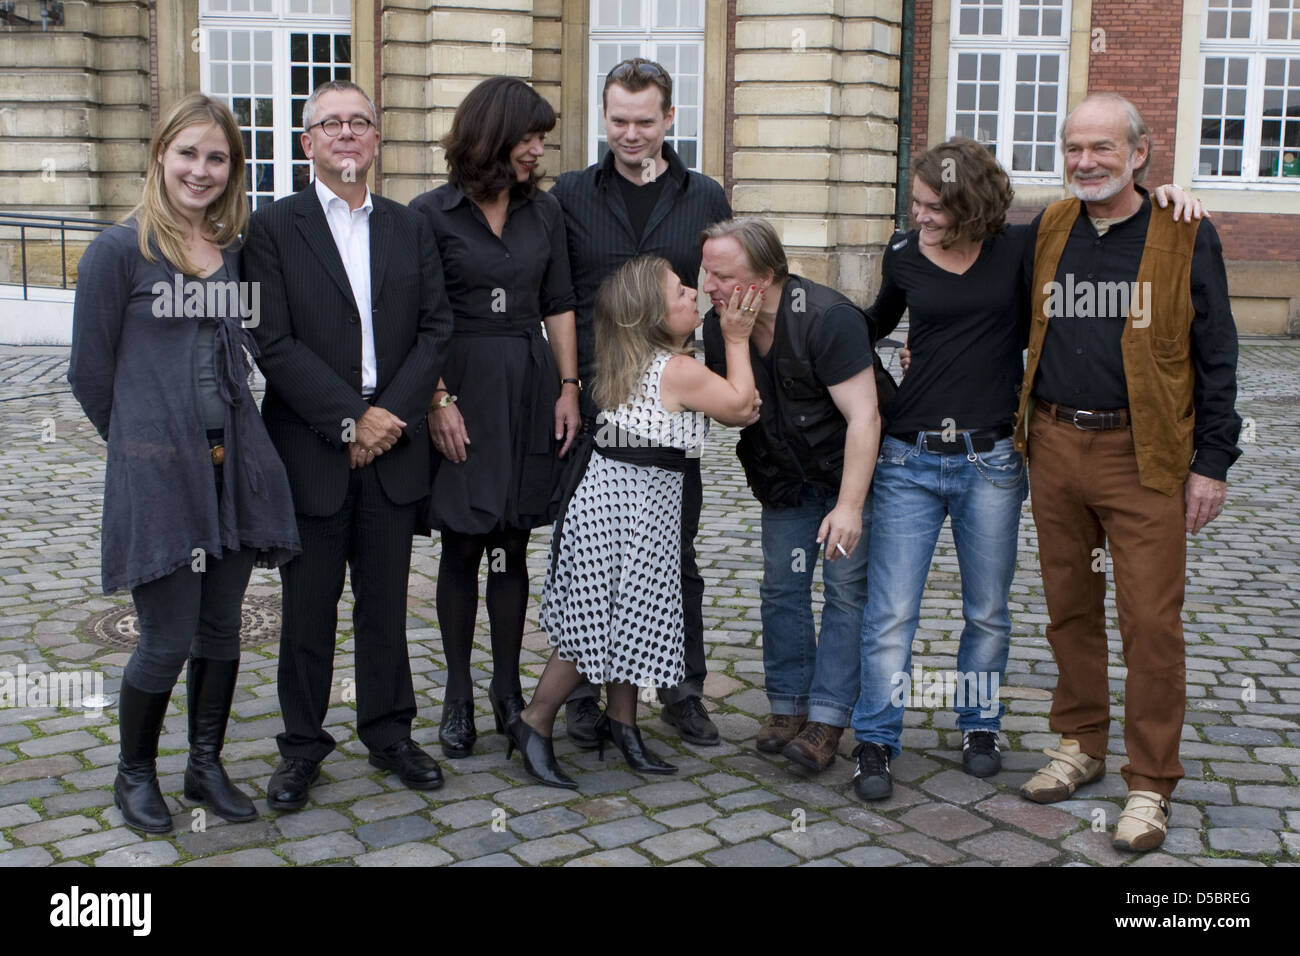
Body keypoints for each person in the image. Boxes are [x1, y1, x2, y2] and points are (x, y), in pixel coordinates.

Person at [852, 138, 1205, 803]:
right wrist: (860, 379)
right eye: (917, 204)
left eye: (934, 207)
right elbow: (869, 327)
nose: (920, 217)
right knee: (892, 612)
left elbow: (1102, 211)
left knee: (988, 611)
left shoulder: (1021, 251)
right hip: (908, 457)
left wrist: (1166, 195)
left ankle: (979, 724)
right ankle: (876, 736)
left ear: (970, 205)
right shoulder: (902, 254)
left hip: (992, 459)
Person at [1013, 93, 1240, 853]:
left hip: (1144, 455)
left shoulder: (1183, 231)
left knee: (1150, 622)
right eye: (1073, 147)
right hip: (1052, 443)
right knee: (1068, 605)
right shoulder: (1049, 226)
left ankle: (1150, 781)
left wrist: (1213, 462)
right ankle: (1079, 741)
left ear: (1141, 154)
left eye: (1102, 148)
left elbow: (1218, 356)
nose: (1084, 162)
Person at [68, 93, 300, 834]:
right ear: (160, 156)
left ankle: (205, 763)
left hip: (232, 463)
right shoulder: (118, 252)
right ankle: (134, 774)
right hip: (160, 471)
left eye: (217, 158)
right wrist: (141, 446)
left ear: (233, 169)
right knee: (165, 637)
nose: (201, 170)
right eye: (188, 153)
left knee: (222, 629)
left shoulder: (232, 252)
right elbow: (89, 372)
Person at [242, 80, 454, 809]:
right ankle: (302, 747)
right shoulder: (272, 229)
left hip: (393, 441)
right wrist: (347, 419)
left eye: (359, 122)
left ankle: (390, 733)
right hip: (310, 443)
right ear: (307, 143)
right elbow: (270, 339)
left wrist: (388, 415)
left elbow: (436, 329)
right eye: (329, 124)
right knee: (308, 609)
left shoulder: (409, 225)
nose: (345, 134)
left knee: (384, 604)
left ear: (375, 137)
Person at [507, 255, 758, 788]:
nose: (693, 293)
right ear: (652, 316)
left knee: (630, 616)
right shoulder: (678, 369)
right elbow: (740, 407)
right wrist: (736, 339)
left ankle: (623, 724)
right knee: (592, 627)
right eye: (680, 293)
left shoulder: (644, 356)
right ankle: (533, 721)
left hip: (628, 503)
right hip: (627, 510)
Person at [551, 57, 733, 748]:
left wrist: (709, 372)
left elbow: (718, 291)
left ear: (669, 120)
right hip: (595, 399)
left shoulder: (705, 194)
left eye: (644, 122)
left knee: (673, 551)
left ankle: (682, 689)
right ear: (605, 118)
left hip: (671, 404)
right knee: (584, 549)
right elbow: (558, 297)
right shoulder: (570, 193)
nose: (630, 134)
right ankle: (582, 693)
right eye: (618, 121)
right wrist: (566, 385)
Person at [409, 77, 579, 759]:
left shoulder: (546, 213)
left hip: (528, 383)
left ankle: (508, 693)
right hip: (460, 384)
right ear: (490, 136)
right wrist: (437, 398)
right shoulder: (430, 214)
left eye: (541, 137)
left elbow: (560, 300)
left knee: (512, 539)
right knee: (462, 540)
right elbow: (418, 317)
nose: (537, 148)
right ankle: (457, 693)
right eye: (526, 136)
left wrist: (568, 386)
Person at [700, 218, 881, 773]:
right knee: (782, 589)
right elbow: (736, 411)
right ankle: (787, 707)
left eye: (722, 274)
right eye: (706, 271)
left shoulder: (829, 319)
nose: (709, 285)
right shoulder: (719, 325)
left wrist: (848, 507)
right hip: (781, 477)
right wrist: (733, 342)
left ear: (766, 274)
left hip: (842, 475)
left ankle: (828, 718)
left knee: (846, 595)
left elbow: (864, 417)